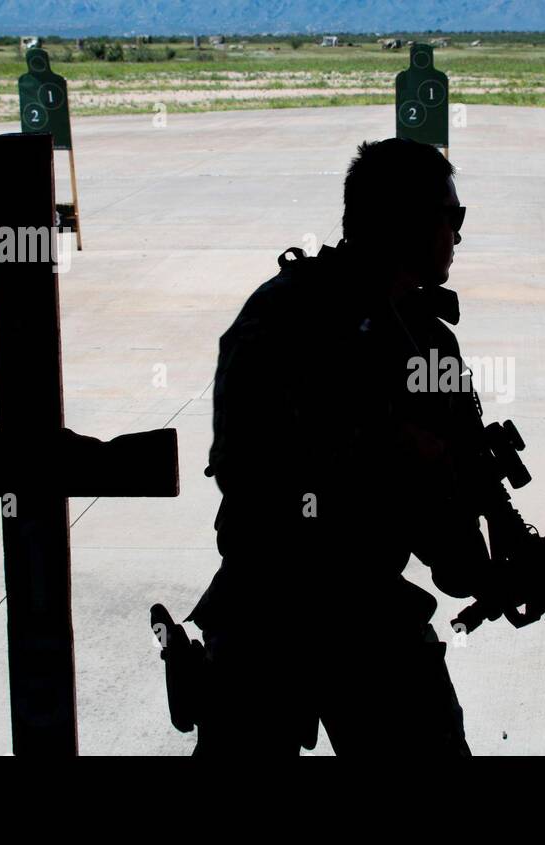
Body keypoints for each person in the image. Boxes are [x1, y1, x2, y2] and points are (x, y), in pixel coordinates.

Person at [187, 138, 491, 756]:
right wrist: (391, 454)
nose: (458, 237)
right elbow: (250, 465)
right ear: (408, 222)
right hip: (302, 610)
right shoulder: (307, 319)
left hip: (296, 607)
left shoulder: (406, 332)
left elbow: (450, 490)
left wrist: (486, 552)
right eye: (450, 218)